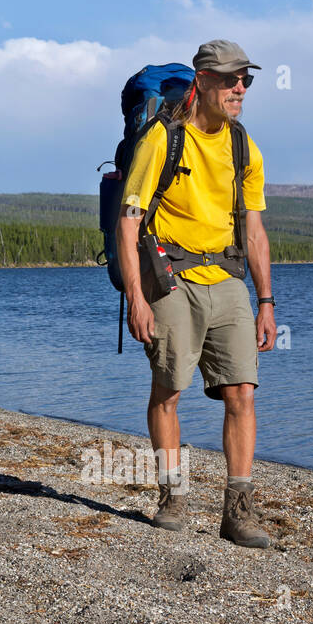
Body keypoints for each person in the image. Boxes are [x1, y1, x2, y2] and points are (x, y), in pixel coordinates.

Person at [116, 38, 277, 548]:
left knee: (241, 393)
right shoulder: (163, 140)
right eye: (230, 80)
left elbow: (253, 230)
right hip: (171, 277)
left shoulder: (242, 145)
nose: (239, 89)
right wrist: (137, 299)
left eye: (245, 80)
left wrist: (267, 302)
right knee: (169, 391)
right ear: (202, 81)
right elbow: (128, 222)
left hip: (227, 279)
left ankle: (239, 510)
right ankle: (173, 493)